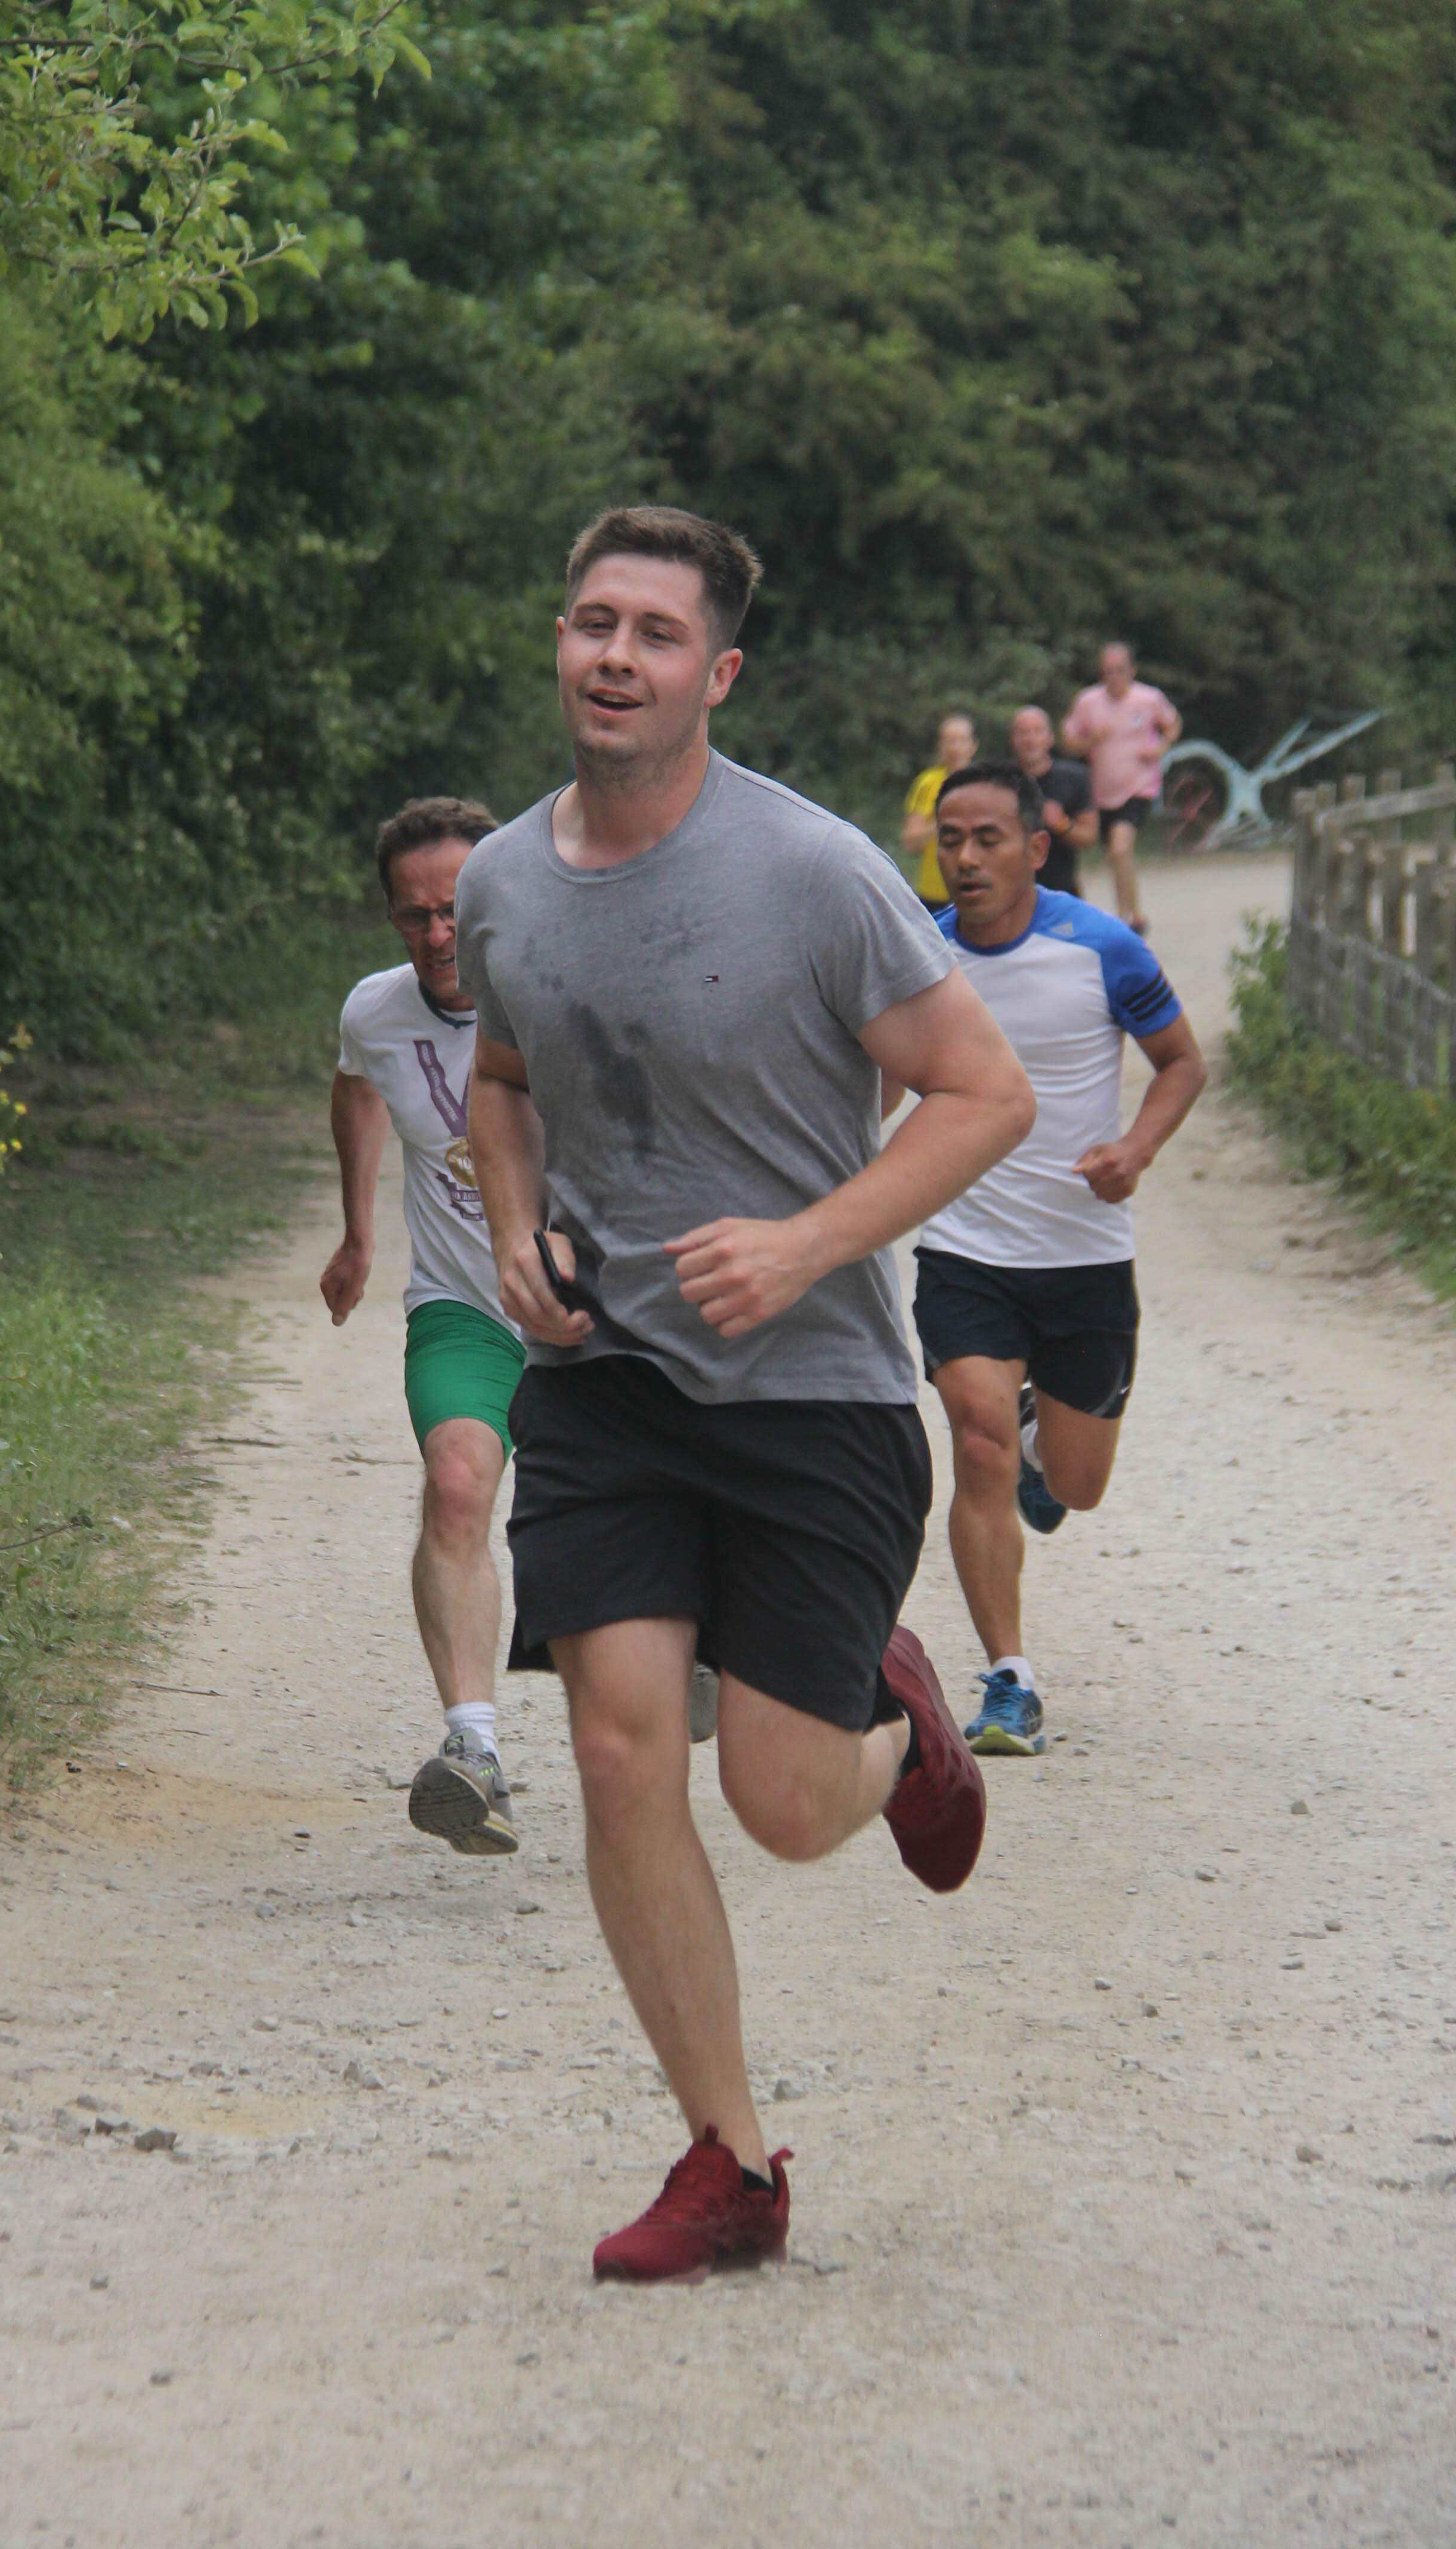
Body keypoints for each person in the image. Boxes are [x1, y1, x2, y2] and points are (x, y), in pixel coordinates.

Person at [455, 505, 1035, 2282]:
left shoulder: (812, 870)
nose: (611, 654)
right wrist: (508, 1232)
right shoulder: (498, 879)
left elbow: (982, 1088)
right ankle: (729, 2158)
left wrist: (798, 1245)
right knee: (622, 1744)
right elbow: (494, 1079)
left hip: (810, 1387)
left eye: (651, 632)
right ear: (558, 643)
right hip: (610, 1375)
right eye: (588, 621)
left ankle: (898, 1728)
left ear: (715, 673)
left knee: (783, 1802)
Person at [912, 760, 1207, 1757]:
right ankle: (1009, 1679)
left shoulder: (1103, 948)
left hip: (1081, 1256)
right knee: (977, 1437)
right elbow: (869, 1084)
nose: (963, 857)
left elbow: (1181, 1062)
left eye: (986, 837)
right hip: (963, 1244)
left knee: (1072, 1489)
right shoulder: (919, 955)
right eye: (949, 838)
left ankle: (1046, 1430)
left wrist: (1134, 1148)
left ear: (1036, 848)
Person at [321, 796, 527, 1856]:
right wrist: (359, 1231)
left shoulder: (563, 995)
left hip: (596, 1317)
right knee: (455, 1485)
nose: (438, 935)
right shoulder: (376, 1011)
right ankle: (471, 1750)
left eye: (455, 909)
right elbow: (356, 1086)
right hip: (462, 1307)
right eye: (414, 917)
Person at [1061, 641, 1180, 933]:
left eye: (1119, 671)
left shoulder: (1148, 699)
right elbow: (1068, 741)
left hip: (1139, 787)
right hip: (1102, 793)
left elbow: (1173, 723)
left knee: (1120, 846)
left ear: (1132, 671)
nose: (1113, 677)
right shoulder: (1088, 702)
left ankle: (1127, 919)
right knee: (1116, 855)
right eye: (1108, 671)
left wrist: (1161, 748)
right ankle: (1135, 914)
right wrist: (1091, 742)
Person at [1010, 704, 1096, 898]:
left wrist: (1062, 824)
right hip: (1010, 895)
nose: (1030, 739)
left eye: (1037, 732)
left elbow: (1090, 837)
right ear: (1014, 740)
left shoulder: (1075, 777)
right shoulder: (999, 782)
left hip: (1061, 892)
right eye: (1023, 733)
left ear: (1050, 738)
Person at [901, 711, 976, 914]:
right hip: (935, 894)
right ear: (940, 746)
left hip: (976, 890)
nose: (956, 748)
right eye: (950, 741)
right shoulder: (927, 783)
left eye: (962, 741)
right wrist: (942, 821)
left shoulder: (984, 785)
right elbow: (911, 842)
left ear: (973, 746)